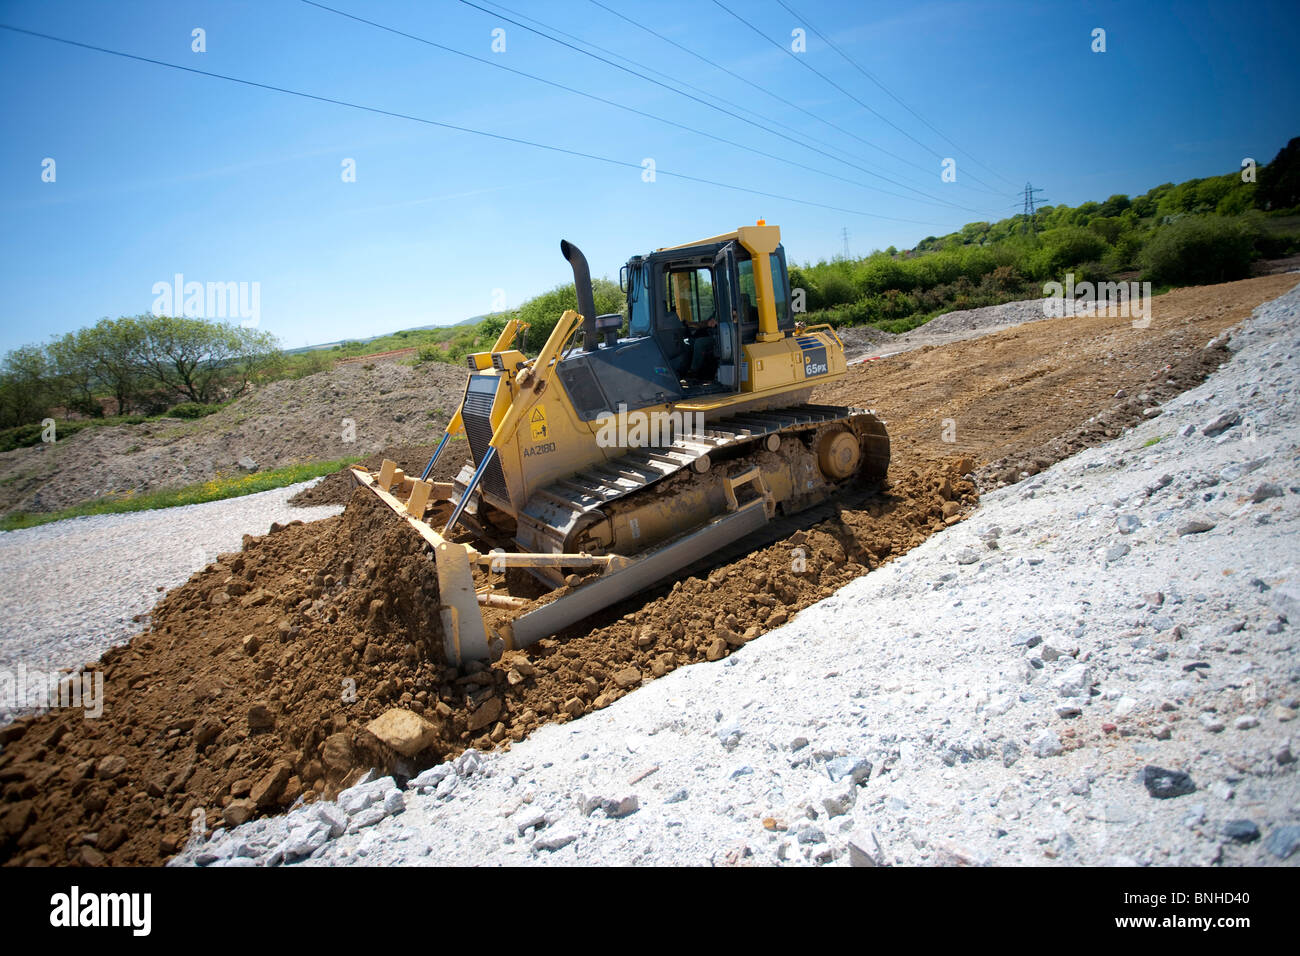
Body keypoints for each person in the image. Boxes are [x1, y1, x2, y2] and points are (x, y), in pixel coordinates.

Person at [687, 313, 718, 378]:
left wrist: (717, 323)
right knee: (691, 341)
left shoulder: (729, 309)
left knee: (700, 343)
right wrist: (689, 324)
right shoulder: (717, 312)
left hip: (720, 337)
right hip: (713, 334)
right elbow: (706, 323)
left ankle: (694, 370)